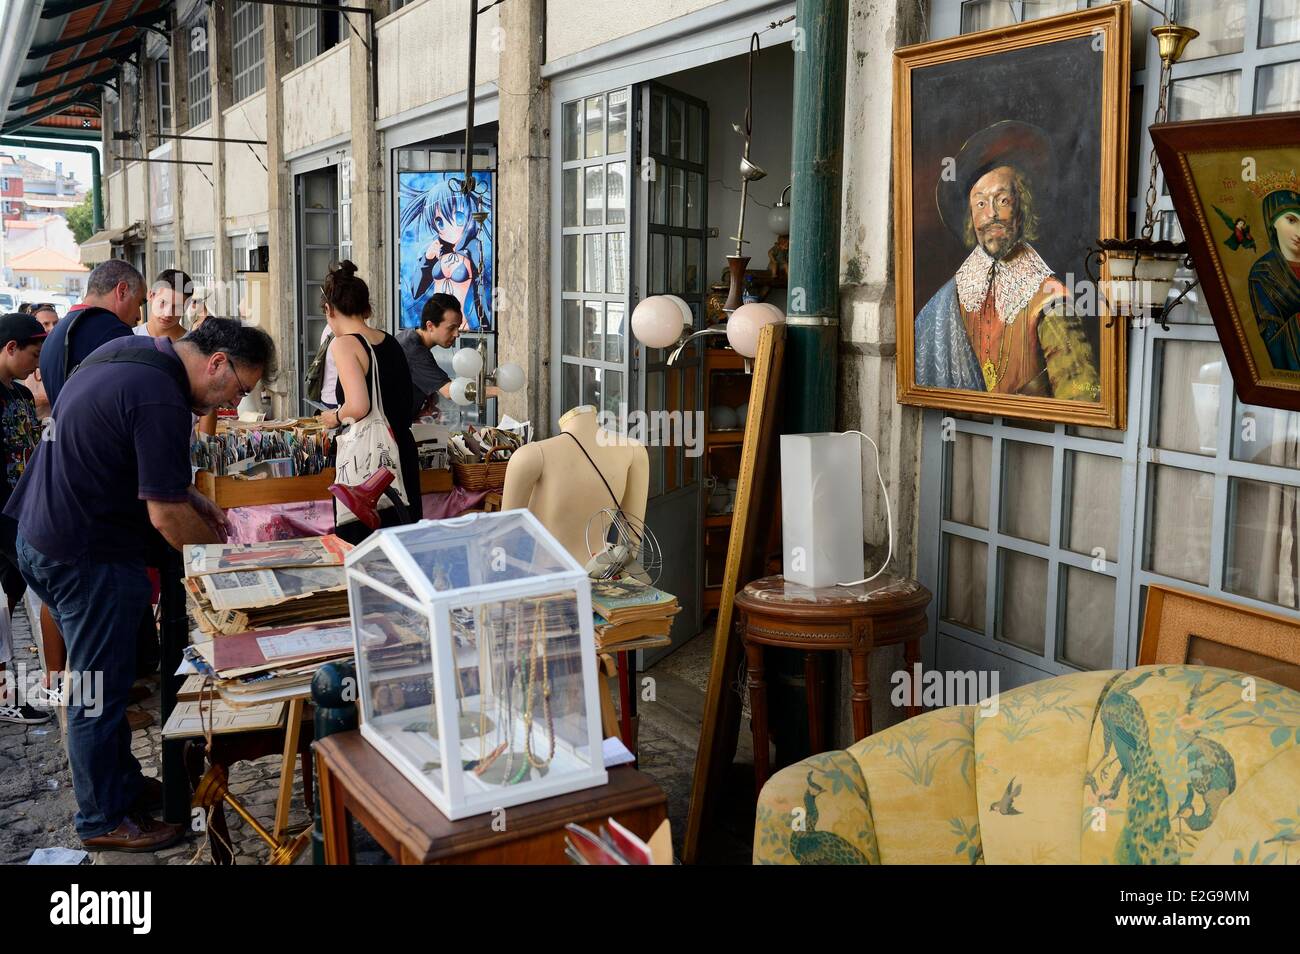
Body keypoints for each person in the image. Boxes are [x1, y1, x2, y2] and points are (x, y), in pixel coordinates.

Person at [6, 317, 276, 852]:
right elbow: (166, 517)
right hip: (83, 551)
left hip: (44, 533)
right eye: (237, 391)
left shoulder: (135, 352)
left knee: (103, 678)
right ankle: (102, 817)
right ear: (217, 362)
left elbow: (150, 474)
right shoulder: (161, 397)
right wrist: (225, 572)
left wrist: (189, 495)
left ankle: (120, 785)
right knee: (97, 691)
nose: (229, 405)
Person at [914, 120, 1099, 401]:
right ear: (970, 217)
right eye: (980, 204)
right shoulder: (950, 299)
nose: (991, 215)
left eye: (1002, 200)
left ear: (1021, 207)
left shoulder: (1050, 300)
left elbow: (1081, 400)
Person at [314, 261, 419, 543]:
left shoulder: (344, 344)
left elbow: (359, 406)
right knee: (401, 551)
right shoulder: (388, 340)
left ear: (329, 309)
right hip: (400, 454)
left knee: (364, 552)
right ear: (365, 307)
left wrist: (334, 417)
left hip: (370, 461)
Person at [0, 315, 48, 724]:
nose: (37, 368)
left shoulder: (19, 396)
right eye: (33, 356)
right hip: (4, 519)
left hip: (24, 513)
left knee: (8, 603)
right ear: (10, 348)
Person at [40, 259, 146, 408]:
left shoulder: (55, 333)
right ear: (122, 291)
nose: (139, 316)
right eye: (139, 303)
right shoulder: (112, 330)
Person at [397, 292, 500, 421]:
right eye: (451, 328)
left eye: (458, 327)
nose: (457, 334)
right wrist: (502, 392)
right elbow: (450, 391)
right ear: (430, 326)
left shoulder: (408, 337)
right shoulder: (415, 352)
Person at [1246, 178, 1300, 372]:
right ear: (1273, 220)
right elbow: (1271, 337)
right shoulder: (1264, 273)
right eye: (1291, 220)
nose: (1299, 232)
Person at [134, 269, 192, 341]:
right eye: (163, 302)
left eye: (177, 306)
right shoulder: (129, 337)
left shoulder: (197, 346)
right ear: (151, 296)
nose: (168, 313)